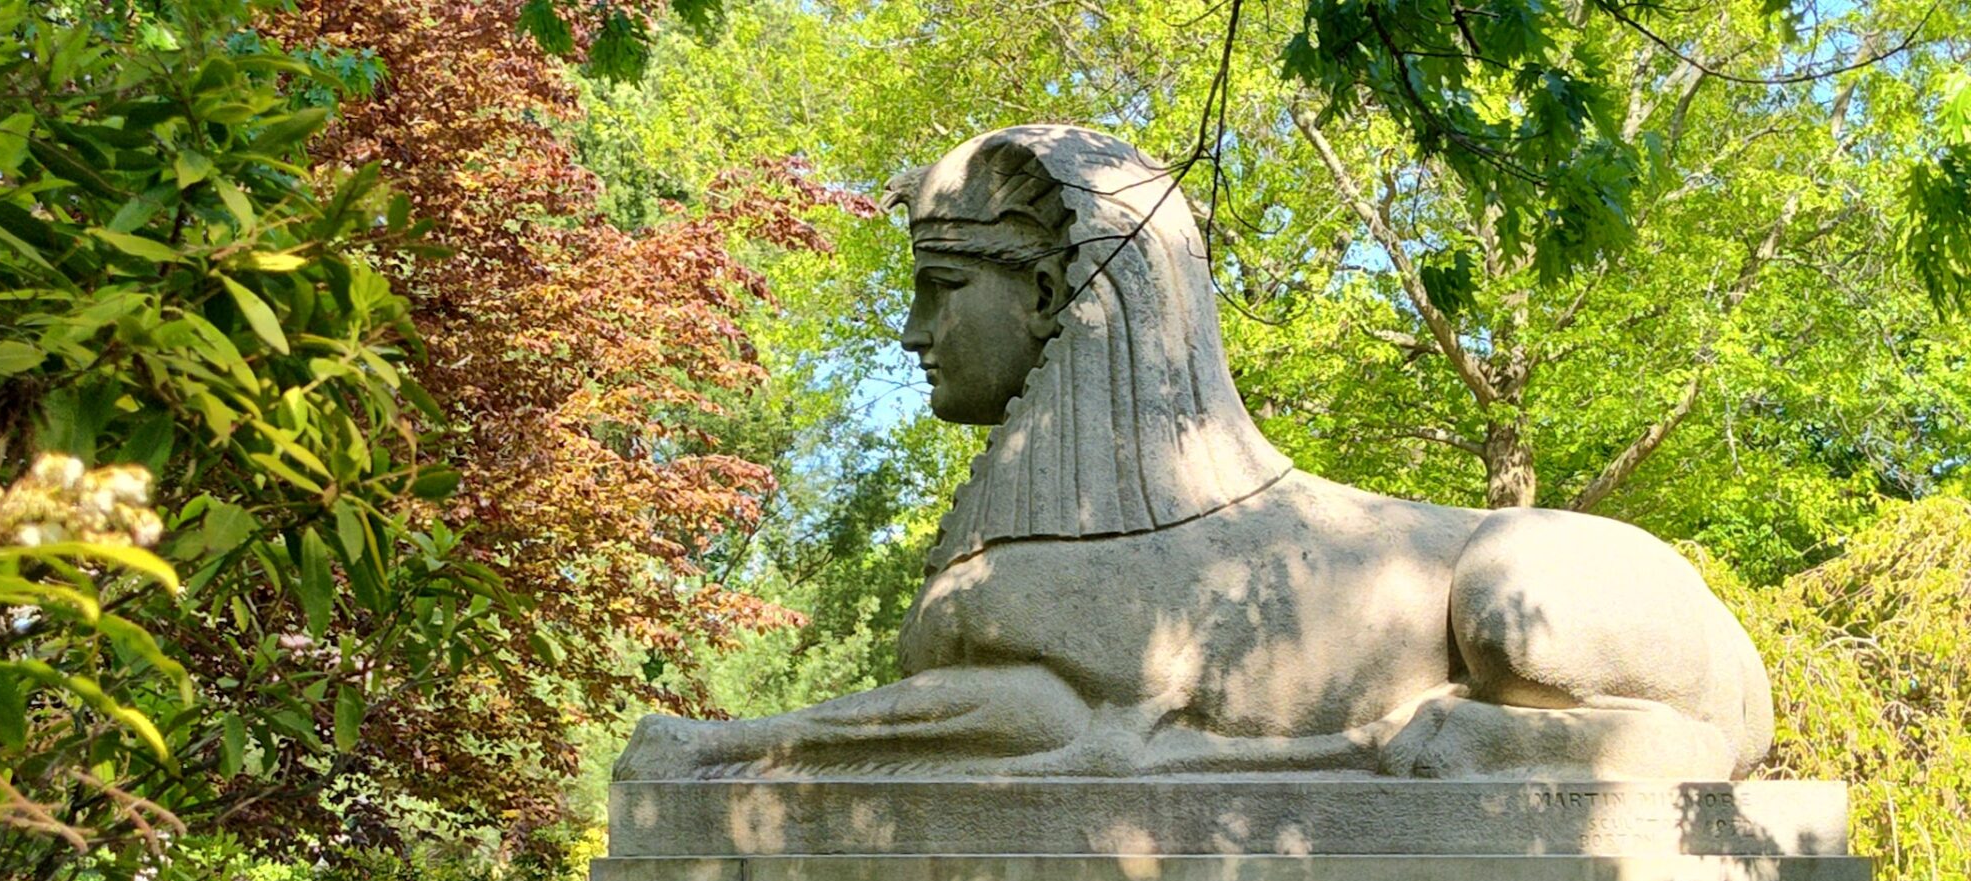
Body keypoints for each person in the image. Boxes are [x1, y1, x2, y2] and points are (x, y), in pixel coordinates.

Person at [616, 125, 1771, 782]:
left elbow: (1043, 713)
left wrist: (739, 748)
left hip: (1576, 615)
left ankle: (1632, 739)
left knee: (1519, 614)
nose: (913, 335)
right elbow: (1031, 715)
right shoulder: (1032, 565)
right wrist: (756, 748)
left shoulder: (1529, 557)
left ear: (1046, 288)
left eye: (940, 290)